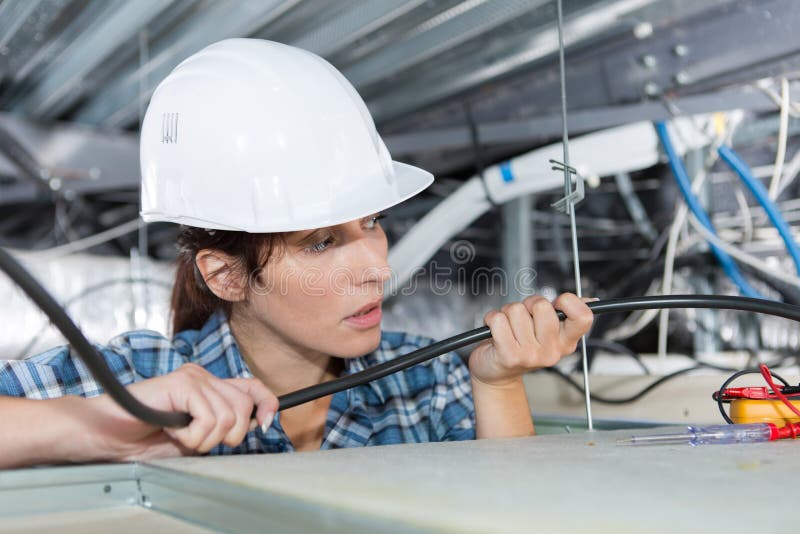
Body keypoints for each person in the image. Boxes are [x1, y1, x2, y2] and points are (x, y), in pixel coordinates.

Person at [0, 39, 593, 469]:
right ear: (227, 275)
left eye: (372, 223)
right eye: (322, 242)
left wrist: (497, 384)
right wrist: (107, 428)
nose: (378, 269)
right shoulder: (139, 380)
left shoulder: (431, 377)